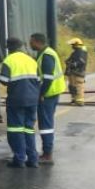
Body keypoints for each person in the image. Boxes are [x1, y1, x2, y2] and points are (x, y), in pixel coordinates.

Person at [0, 38, 40, 168]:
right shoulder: (31, 60)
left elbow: (3, 80)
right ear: (21, 46)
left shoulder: (9, 60)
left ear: (9, 48)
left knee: (15, 129)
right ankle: (33, 159)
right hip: (33, 100)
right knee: (29, 129)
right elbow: (39, 79)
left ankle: (19, 159)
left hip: (16, 100)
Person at [30, 33, 66, 164]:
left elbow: (48, 78)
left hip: (49, 94)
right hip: (50, 93)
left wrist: (41, 94)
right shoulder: (44, 53)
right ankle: (47, 152)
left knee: (46, 124)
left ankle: (47, 154)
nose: (30, 44)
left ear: (37, 42)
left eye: (31, 42)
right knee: (46, 122)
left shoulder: (47, 55)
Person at [65, 38, 89, 106]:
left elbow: (81, 62)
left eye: (73, 45)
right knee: (72, 87)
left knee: (78, 86)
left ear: (76, 45)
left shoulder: (81, 52)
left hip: (78, 73)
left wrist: (74, 64)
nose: (72, 46)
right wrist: (67, 61)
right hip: (72, 73)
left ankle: (79, 101)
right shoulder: (75, 52)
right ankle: (74, 99)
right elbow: (70, 59)